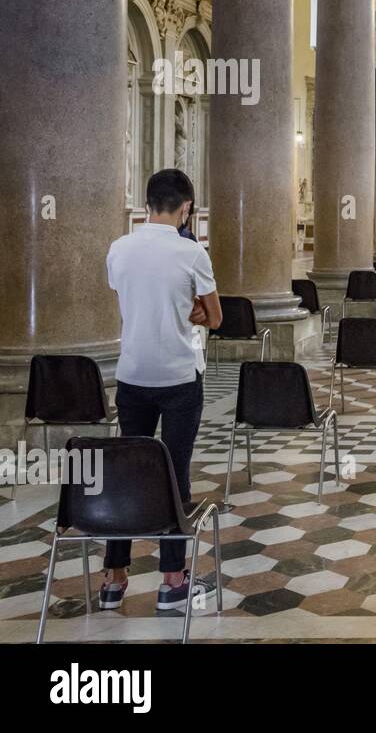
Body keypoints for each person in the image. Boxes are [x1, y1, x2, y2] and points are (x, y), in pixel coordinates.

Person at [101, 169, 223, 612]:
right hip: (177, 378)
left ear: (147, 203)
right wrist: (189, 311)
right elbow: (215, 318)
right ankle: (173, 581)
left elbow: (129, 298)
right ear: (186, 206)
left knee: (126, 471)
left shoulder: (119, 248)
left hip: (132, 376)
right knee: (175, 473)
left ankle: (114, 577)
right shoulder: (191, 252)